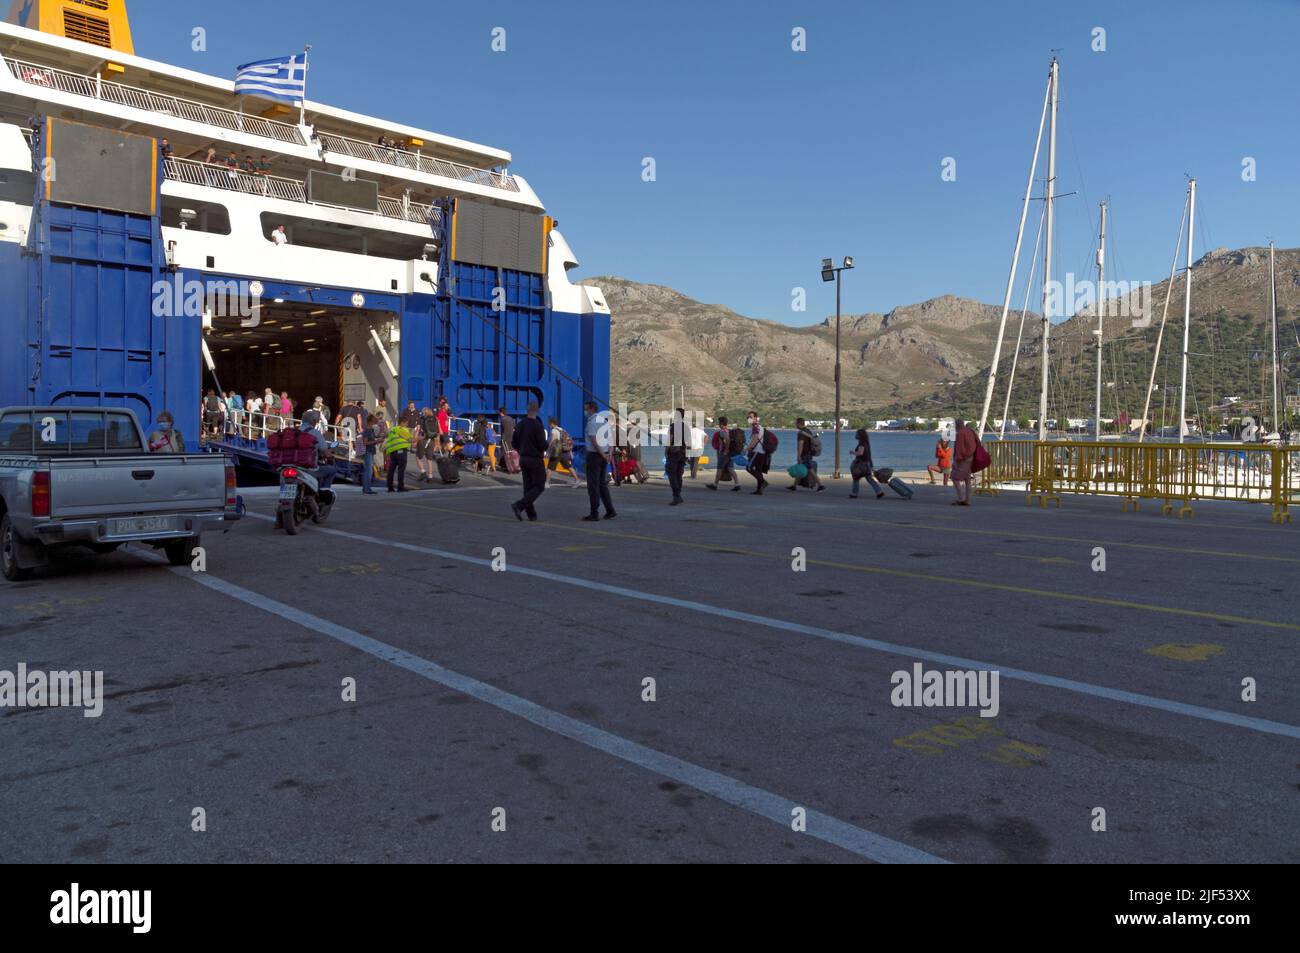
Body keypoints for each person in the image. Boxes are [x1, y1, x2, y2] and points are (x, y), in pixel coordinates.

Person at [510, 401, 548, 521]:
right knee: (539, 486)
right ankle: (519, 505)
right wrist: (549, 445)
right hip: (535, 459)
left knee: (528, 487)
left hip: (523, 459)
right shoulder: (538, 425)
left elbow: (514, 443)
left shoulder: (520, 425)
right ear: (537, 410)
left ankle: (531, 514)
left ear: (527, 410)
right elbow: (543, 445)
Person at [581, 401, 616, 520]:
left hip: (594, 456)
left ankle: (594, 513)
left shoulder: (592, 422)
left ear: (591, 409)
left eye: (586, 409)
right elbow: (611, 439)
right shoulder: (604, 421)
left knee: (593, 485)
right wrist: (609, 455)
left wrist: (602, 454)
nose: (584, 411)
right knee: (602, 484)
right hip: (605, 455)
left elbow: (594, 441)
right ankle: (610, 510)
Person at [707, 416, 742, 491]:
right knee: (730, 468)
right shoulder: (729, 430)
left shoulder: (723, 431)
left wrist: (726, 450)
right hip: (730, 453)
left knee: (719, 469)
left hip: (724, 453)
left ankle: (715, 485)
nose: (719, 425)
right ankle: (737, 484)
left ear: (722, 423)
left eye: (719, 423)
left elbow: (727, 439)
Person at [789, 418, 824, 492]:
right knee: (800, 468)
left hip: (804, 454)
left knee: (810, 470)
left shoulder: (801, 433)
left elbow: (800, 445)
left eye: (796, 423)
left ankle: (820, 485)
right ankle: (794, 486)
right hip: (809, 453)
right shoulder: (808, 431)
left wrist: (799, 456)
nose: (795, 425)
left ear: (799, 423)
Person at [848, 428, 885, 499]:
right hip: (866, 464)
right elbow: (868, 455)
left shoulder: (861, 444)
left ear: (860, 435)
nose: (855, 435)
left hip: (861, 465)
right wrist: (871, 465)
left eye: (856, 434)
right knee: (869, 479)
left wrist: (852, 452)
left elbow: (860, 453)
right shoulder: (866, 443)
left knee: (856, 478)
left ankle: (854, 493)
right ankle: (879, 492)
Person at [952, 418, 979, 506]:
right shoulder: (970, 431)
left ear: (957, 425)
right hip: (971, 457)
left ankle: (961, 498)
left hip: (964, 459)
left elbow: (959, 449)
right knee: (967, 480)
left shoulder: (960, 433)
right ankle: (968, 500)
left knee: (955, 478)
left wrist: (956, 460)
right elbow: (978, 442)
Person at [383, 414, 413, 492]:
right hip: (401, 451)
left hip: (393, 452)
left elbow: (388, 441)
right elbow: (411, 439)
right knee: (401, 470)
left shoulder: (392, 430)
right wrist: (420, 437)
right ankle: (400, 487)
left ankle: (390, 488)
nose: (407, 425)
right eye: (406, 423)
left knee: (391, 470)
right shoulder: (401, 429)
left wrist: (386, 453)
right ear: (402, 423)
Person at [547, 417, 579, 486]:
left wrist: (548, 451)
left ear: (552, 423)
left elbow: (552, 441)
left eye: (549, 423)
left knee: (550, 467)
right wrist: (570, 452)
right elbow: (567, 440)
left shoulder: (553, 431)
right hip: (564, 451)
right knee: (568, 466)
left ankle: (546, 483)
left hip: (557, 451)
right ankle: (577, 480)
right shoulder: (561, 429)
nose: (549, 425)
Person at [665, 407, 688, 505]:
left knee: (672, 474)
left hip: (674, 453)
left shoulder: (673, 426)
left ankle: (676, 496)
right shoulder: (686, 427)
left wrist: (666, 451)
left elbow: (669, 440)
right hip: (683, 453)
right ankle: (679, 494)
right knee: (679, 474)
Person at [744, 410, 769, 494]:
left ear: (755, 418)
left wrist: (746, 449)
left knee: (749, 468)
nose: (749, 419)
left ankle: (763, 482)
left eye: (750, 417)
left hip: (757, 452)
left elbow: (754, 440)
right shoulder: (760, 426)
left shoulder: (755, 426)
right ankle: (759, 490)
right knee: (758, 471)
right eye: (748, 417)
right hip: (762, 452)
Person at [413, 407, 437, 482]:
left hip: (423, 440)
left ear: (424, 412)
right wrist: (437, 444)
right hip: (432, 441)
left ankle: (423, 472)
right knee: (429, 460)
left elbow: (418, 430)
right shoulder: (435, 419)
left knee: (418, 457)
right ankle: (430, 477)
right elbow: (438, 433)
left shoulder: (421, 419)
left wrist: (415, 440)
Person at [361, 413, 380, 494]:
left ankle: (367, 488)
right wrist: (376, 441)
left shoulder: (371, 429)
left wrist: (376, 441)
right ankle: (366, 489)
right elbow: (365, 443)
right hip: (368, 452)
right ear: (372, 420)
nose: (377, 420)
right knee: (368, 471)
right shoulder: (368, 430)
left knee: (369, 470)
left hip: (370, 451)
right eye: (375, 419)